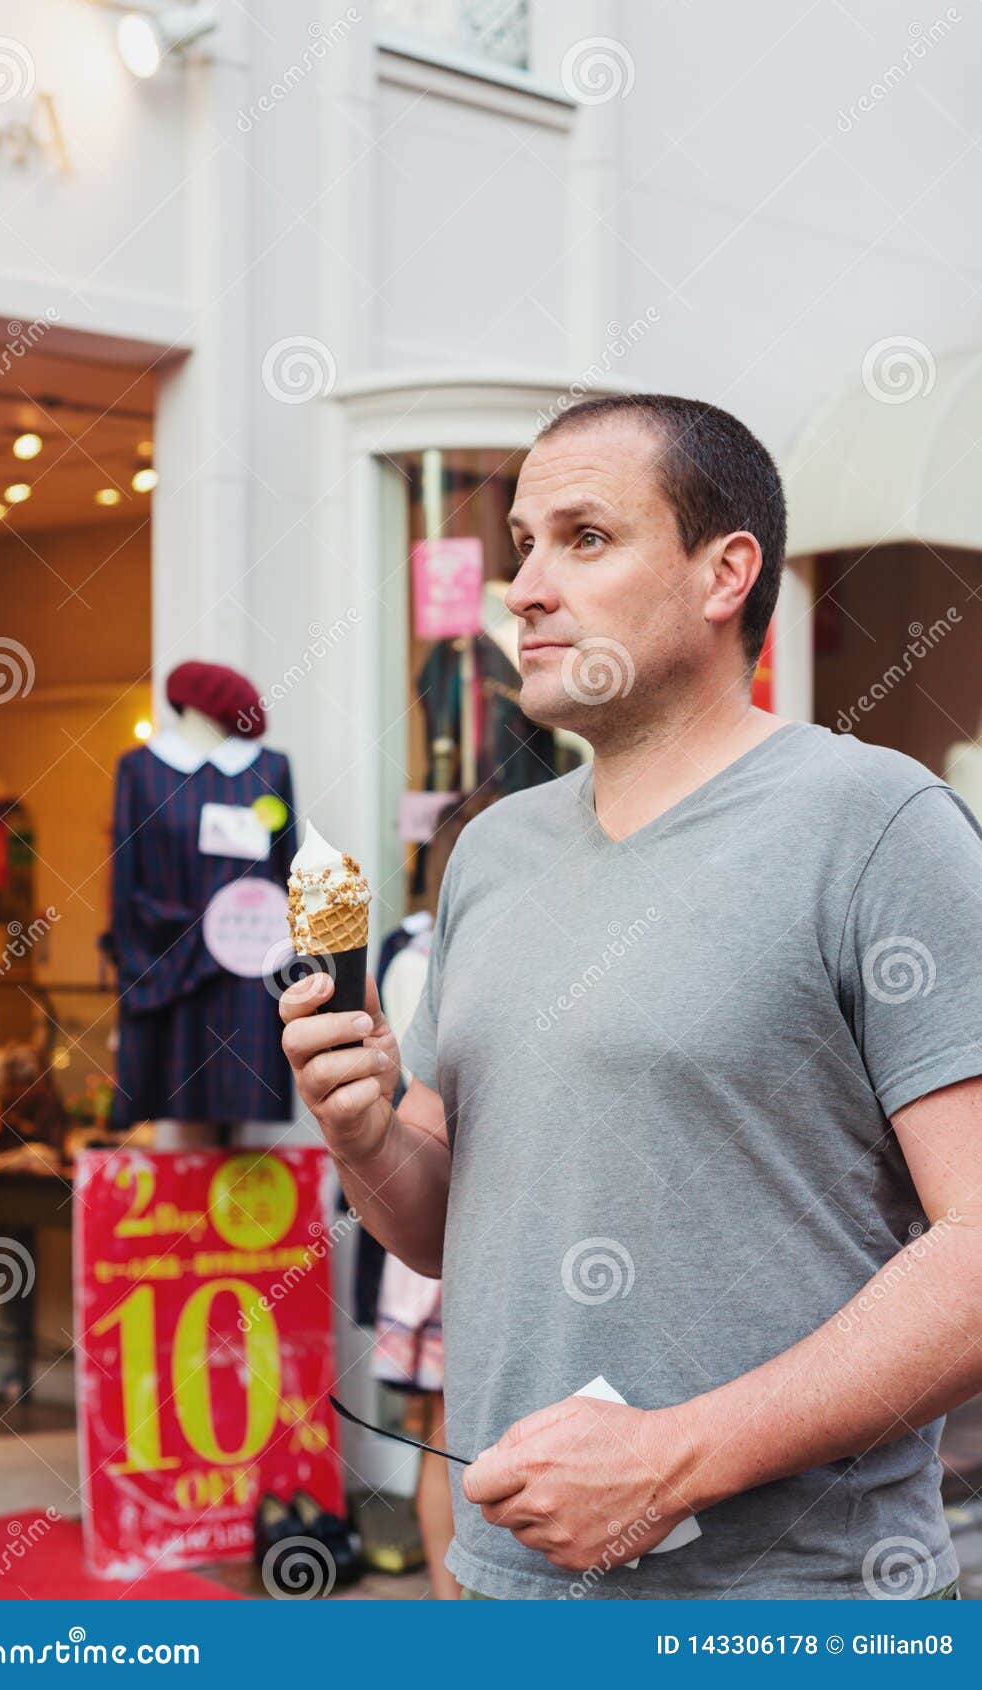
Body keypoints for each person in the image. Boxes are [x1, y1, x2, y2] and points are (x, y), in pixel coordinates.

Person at [280, 394, 982, 1600]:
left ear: (724, 573)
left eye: (584, 539)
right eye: (519, 546)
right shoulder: (491, 854)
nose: (525, 589)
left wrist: (669, 1462)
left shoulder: (877, 824)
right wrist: (366, 1136)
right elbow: (443, 1224)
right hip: (511, 1584)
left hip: (795, 1602)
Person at [372, 791, 501, 1600]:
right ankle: (452, 1603)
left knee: (446, 1430)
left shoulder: (410, 950)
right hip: (451, 1206)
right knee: (452, 1430)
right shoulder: (429, 957)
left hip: (446, 1204)